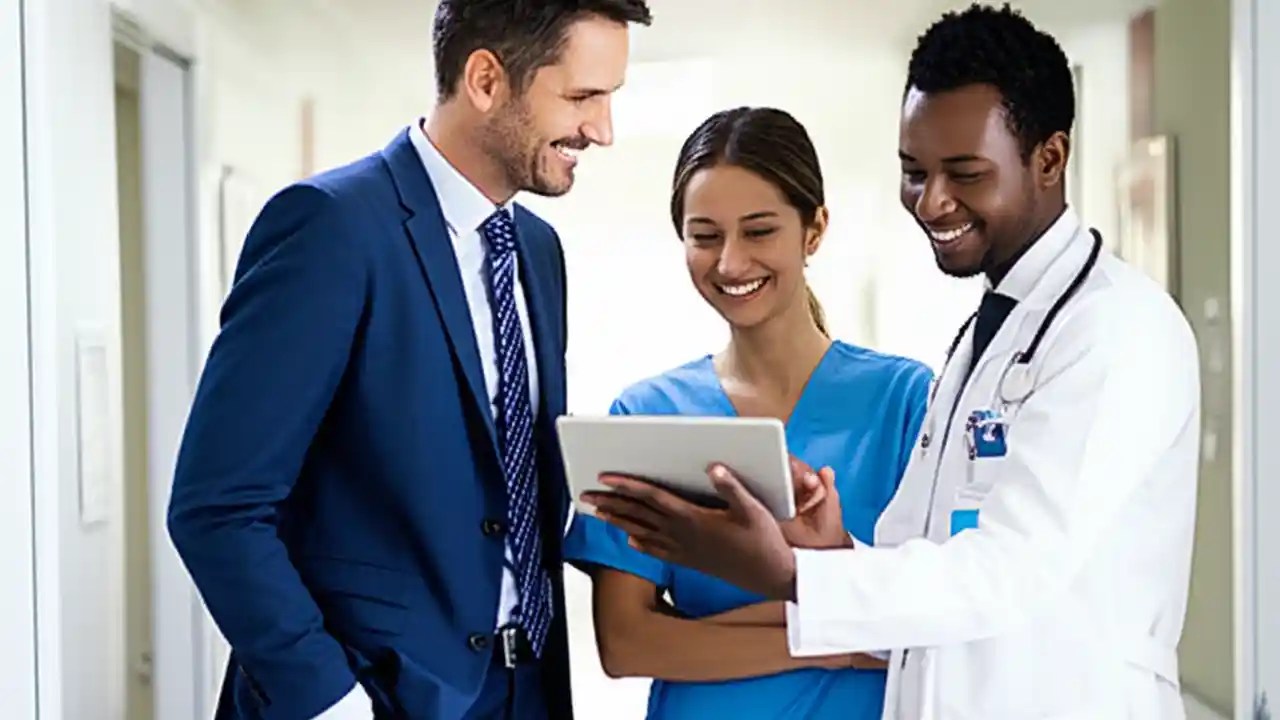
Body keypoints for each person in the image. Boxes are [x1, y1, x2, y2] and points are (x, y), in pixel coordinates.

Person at [583, 5, 1201, 719]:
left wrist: (787, 572)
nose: (932, 202)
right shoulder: (986, 339)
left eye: (964, 173)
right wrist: (831, 550)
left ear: (1050, 158)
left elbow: (1012, 572)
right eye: (915, 171)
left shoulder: (1116, 329)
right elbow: (915, 556)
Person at [166, 1, 652, 718]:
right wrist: (329, 700)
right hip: (370, 695)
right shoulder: (331, 228)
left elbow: (501, 481)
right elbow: (218, 507)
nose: (602, 130)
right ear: (486, 79)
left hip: (526, 690)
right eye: (583, 97)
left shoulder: (539, 253)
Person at [564, 106, 933, 719]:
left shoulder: (907, 401)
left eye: (759, 231)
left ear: (814, 230)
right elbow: (627, 642)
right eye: (705, 235)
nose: (730, 263)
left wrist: (740, 629)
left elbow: (941, 612)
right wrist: (833, 641)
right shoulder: (647, 415)